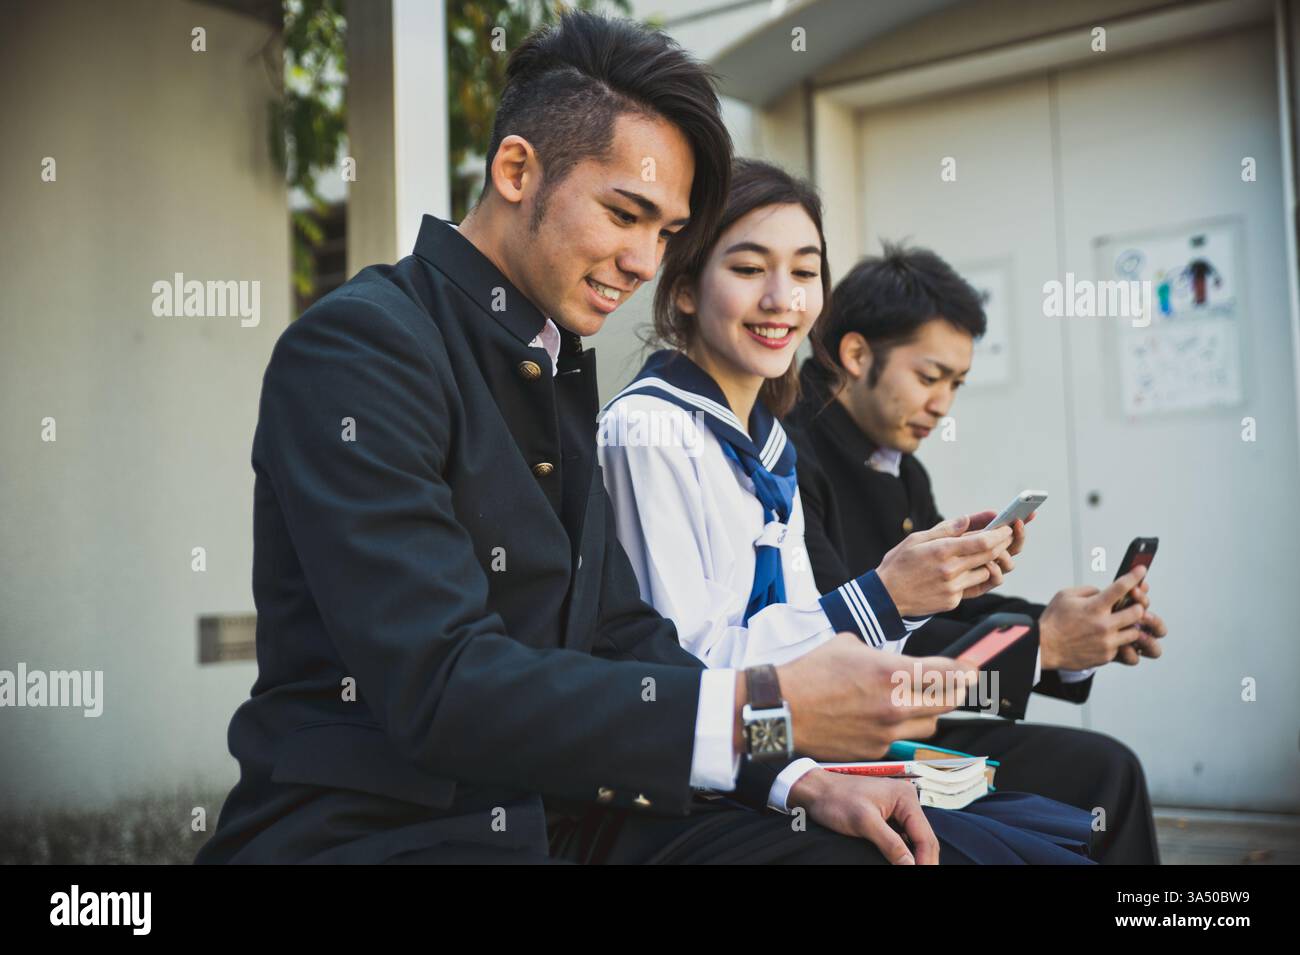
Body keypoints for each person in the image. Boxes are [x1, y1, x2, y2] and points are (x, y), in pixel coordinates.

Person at [196, 12, 993, 866]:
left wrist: (789, 773)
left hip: (570, 816)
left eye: (666, 231)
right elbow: (440, 683)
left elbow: (619, 632)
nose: (648, 261)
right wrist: (767, 708)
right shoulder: (360, 346)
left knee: (920, 841)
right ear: (515, 170)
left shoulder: (554, 363)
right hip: (376, 832)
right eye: (626, 213)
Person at [598, 158, 1094, 863]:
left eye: (804, 272)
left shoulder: (767, 446)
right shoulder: (647, 430)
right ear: (682, 289)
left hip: (787, 757)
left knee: (1056, 836)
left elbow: (828, 661)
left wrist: (921, 591)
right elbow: (691, 675)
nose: (782, 298)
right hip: (701, 786)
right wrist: (885, 596)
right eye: (747, 268)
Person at [786, 242, 1166, 864]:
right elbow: (844, 647)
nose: (943, 404)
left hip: (913, 713)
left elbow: (943, 614)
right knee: (1102, 774)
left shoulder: (897, 467)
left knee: (1107, 772)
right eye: (929, 376)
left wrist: (1074, 632)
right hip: (837, 741)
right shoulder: (792, 455)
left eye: (956, 383)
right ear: (855, 354)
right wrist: (1043, 645)